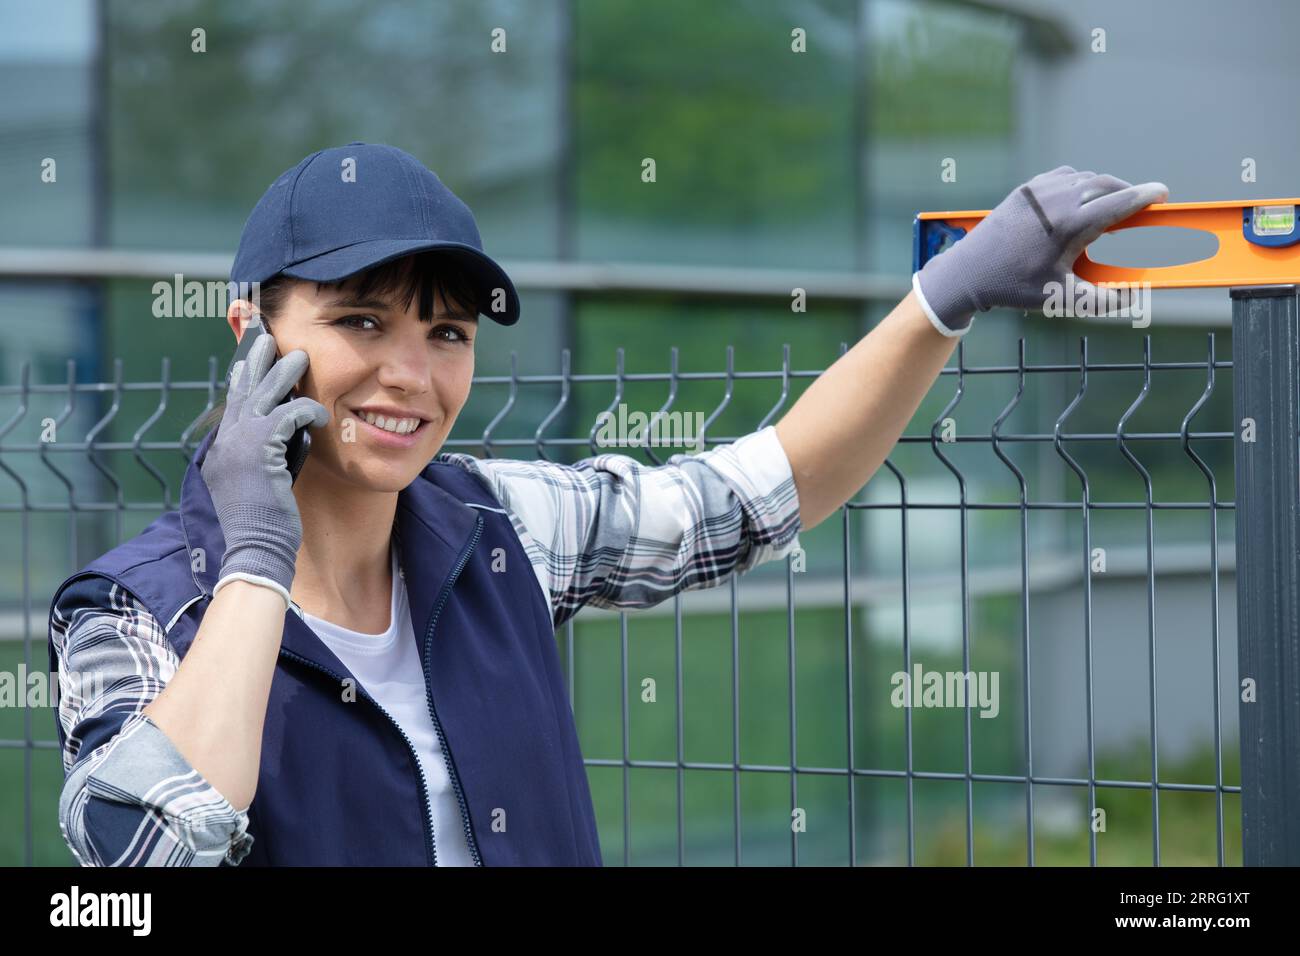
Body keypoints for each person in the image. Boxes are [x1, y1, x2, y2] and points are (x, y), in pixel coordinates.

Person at [46, 143, 1166, 865]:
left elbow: (759, 487)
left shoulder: (500, 527)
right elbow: (144, 851)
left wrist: (946, 295)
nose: (411, 374)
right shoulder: (124, 612)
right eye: (360, 321)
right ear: (255, 333)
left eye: (446, 332)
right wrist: (254, 552)